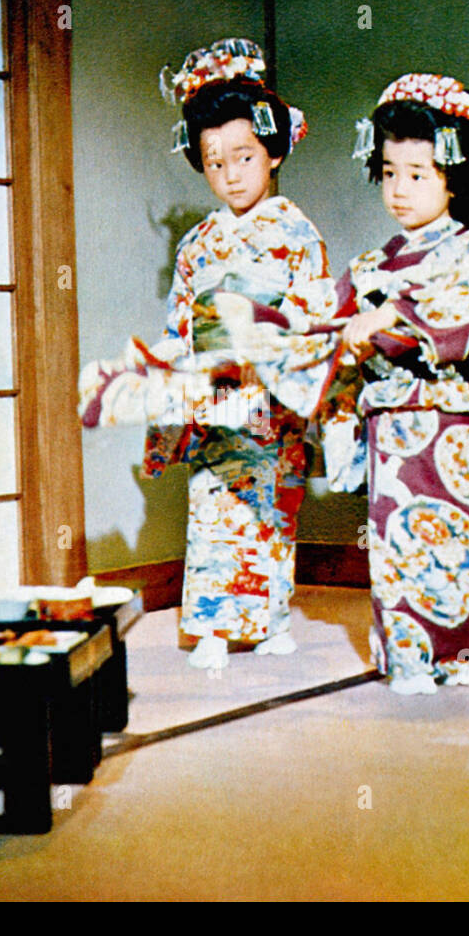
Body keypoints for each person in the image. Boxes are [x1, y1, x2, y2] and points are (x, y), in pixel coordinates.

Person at [131, 38, 336, 669]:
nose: (230, 173)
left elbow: (318, 313)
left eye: (244, 156)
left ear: (274, 151)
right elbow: (179, 318)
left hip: (273, 401)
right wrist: (168, 368)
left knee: (271, 510)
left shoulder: (297, 233)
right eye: (214, 161)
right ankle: (214, 627)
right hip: (216, 399)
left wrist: (279, 343)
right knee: (213, 507)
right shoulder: (198, 242)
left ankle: (270, 619)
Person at [326, 74, 469, 694]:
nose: (399, 188)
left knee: (459, 537)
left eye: (417, 173)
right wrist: (335, 334)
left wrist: (382, 318)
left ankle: (452, 652)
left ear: (456, 175)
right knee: (398, 543)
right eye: (390, 171)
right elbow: (333, 327)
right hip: (395, 422)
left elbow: (460, 312)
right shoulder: (368, 265)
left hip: (458, 418)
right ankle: (410, 660)